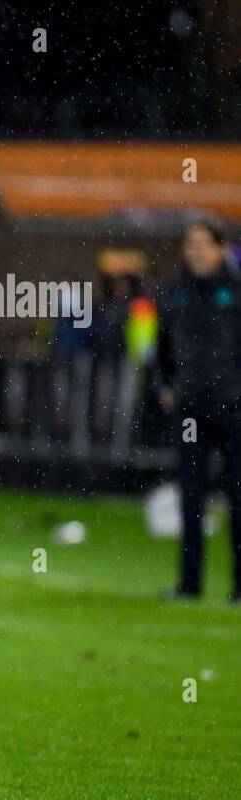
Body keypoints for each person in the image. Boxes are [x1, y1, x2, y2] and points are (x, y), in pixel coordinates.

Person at [154, 221, 241, 602]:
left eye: (203, 244)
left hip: (234, 406)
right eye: (190, 244)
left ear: (222, 248)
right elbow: (160, 348)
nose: (195, 251)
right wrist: (165, 388)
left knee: (238, 496)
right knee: (191, 494)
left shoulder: (236, 291)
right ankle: (189, 583)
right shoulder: (174, 291)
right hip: (190, 409)